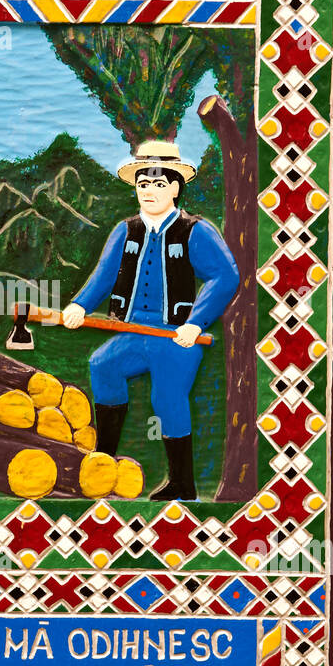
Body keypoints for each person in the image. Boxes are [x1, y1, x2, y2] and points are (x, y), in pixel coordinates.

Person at [62, 139, 240, 500]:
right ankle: (105, 463)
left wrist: (196, 322)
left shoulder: (195, 231)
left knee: (167, 397)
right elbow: (104, 274)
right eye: (143, 184)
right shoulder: (125, 231)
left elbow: (226, 276)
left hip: (177, 336)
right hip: (132, 329)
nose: (150, 192)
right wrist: (80, 305)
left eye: (159, 184)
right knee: (102, 364)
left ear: (175, 188)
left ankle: (182, 484)